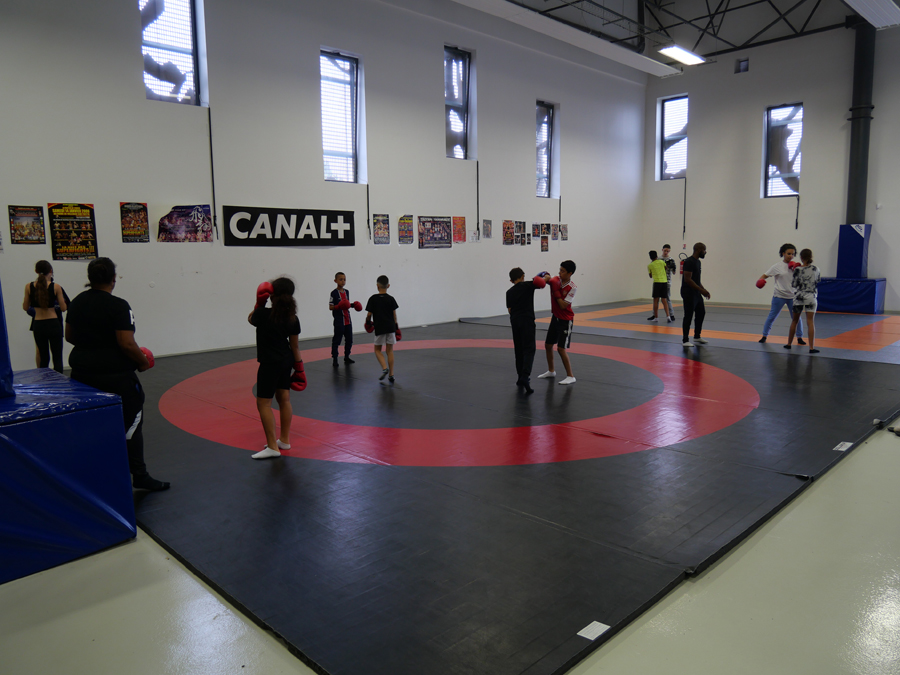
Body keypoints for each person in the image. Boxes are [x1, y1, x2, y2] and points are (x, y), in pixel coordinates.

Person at [65, 257, 169, 491]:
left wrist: (91, 345)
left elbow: (69, 336)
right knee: (132, 421)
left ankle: (96, 473)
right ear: (113, 279)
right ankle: (139, 475)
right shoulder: (118, 305)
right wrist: (142, 362)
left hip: (82, 373)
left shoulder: (77, 301)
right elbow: (126, 343)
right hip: (114, 375)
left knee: (92, 422)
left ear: (90, 278)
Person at [248, 277, 304, 460]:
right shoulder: (292, 317)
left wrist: (259, 303)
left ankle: (273, 447)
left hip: (270, 363)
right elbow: (295, 346)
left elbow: (250, 319)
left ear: (272, 294)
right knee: (284, 399)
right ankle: (284, 440)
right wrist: (300, 368)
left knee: (263, 403)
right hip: (286, 360)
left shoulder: (262, 314)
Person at [506, 268, 547, 394]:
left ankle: (520, 377)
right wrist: (545, 276)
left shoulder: (509, 292)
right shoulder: (529, 285)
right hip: (527, 321)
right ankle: (525, 376)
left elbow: (510, 310)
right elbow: (542, 283)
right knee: (529, 349)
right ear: (523, 276)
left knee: (518, 349)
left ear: (511, 280)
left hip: (515, 321)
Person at [22, 260, 68, 372]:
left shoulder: (29, 286)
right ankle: (59, 381)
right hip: (53, 324)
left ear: (36, 271)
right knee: (57, 357)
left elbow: (25, 307)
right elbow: (63, 308)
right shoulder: (55, 286)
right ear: (50, 271)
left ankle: (44, 380)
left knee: (43, 357)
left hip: (38, 324)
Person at [537, 260, 577, 385]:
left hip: (566, 320)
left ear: (570, 273)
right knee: (548, 345)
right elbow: (546, 279)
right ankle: (551, 371)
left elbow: (563, 305)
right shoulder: (556, 280)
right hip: (555, 318)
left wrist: (555, 292)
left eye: (563, 271)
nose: (560, 273)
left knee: (561, 348)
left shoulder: (572, 288)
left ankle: (570, 376)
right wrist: (544, 276)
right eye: (560, 270)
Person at [756, 243, 805, 344]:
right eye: (788, 253)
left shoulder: (796, 266)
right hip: (779, 296)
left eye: (793, 254)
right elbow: (764, 275)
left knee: (797, 318)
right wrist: (761, 281)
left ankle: (799, 337)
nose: (791, 256)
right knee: (772, 316)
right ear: (783, 253)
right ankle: (764, 336)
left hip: (793, 296)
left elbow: (801, 280)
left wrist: (799, 271)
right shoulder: (777, 266)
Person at [784, 249, 821, 353]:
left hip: (799, 297)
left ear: (801, 257)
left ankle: (789, 344)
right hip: (811, 297)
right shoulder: (816, 269)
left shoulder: (797, 269)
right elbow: (818, 281)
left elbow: (794, 284)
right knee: (810, 322)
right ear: (811, 257)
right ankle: (811, 348)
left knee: (794, 321)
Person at [365, 275, 400, 383]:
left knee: (377, 350)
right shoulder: (391, 299)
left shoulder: (373, 299)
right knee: (389, 350)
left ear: (377, 286)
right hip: (390, 327)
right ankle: (391, 375)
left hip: (379, 327)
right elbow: (394, 315)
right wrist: (396, 327)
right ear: (388, 286)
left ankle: (384, 368)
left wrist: (367, 322)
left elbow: (369, 314)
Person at [328, 272, 362, 368]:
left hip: (347, 320)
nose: (343, 281)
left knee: (349, 340)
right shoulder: (334, 293)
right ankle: (335, 359)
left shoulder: (347, 292)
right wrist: (338, 306)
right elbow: (330, 307)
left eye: (344, 279)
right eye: (340, 279)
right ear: (335, 281)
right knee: (337, 340)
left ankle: (347, 356)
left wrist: (353, 305)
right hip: (339, 321)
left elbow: (346, 304)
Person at [681, 243, 711, 347]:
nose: (705, 252)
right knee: (688, 315)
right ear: (698, 250)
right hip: (688, 292)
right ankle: (685, 340)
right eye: (704, 250)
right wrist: (701, 290)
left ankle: (697, 336)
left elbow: (696, 280)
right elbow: (688, 279)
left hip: (696, 292)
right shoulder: (689, 262)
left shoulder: (698, 262)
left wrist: (704, 290)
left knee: (701, 312)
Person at [646, 251, 672, 323]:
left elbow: (650, 276)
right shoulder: (661, 262)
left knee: (656, 300)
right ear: (656, 256)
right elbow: (666, 268)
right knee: (664, 300)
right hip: (664, 282)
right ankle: (668, 316)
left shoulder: (650, 265)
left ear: (650, 257)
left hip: (657, 283)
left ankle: (656, 317)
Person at [661, 244, 676, 321]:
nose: (666, 252)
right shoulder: (658, 259)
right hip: (659, 280)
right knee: (656, 298)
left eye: (667, 251)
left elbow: (674, 272)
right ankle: (654, 315)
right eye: (665, 251)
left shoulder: (671, 259)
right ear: (662, 250)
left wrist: (672, 267)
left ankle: (671, 314)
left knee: (667, 298)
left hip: (667, 281)